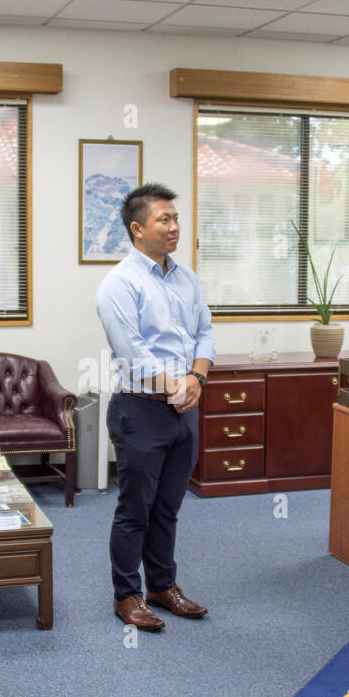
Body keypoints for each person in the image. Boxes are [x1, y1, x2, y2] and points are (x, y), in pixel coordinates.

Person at [95, 183, 214, 631]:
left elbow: (206, 334)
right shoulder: (119, 284)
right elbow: (133, 355)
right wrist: (178, 388)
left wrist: (196, 379)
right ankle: (127, 595)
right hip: (140, 410)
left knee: (168, 507)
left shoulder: (186, 278)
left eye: (176, 219)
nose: (174, 227)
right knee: (136, 510)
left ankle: (162, 586)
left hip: (184, 409)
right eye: (164, 220)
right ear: (137, 228)